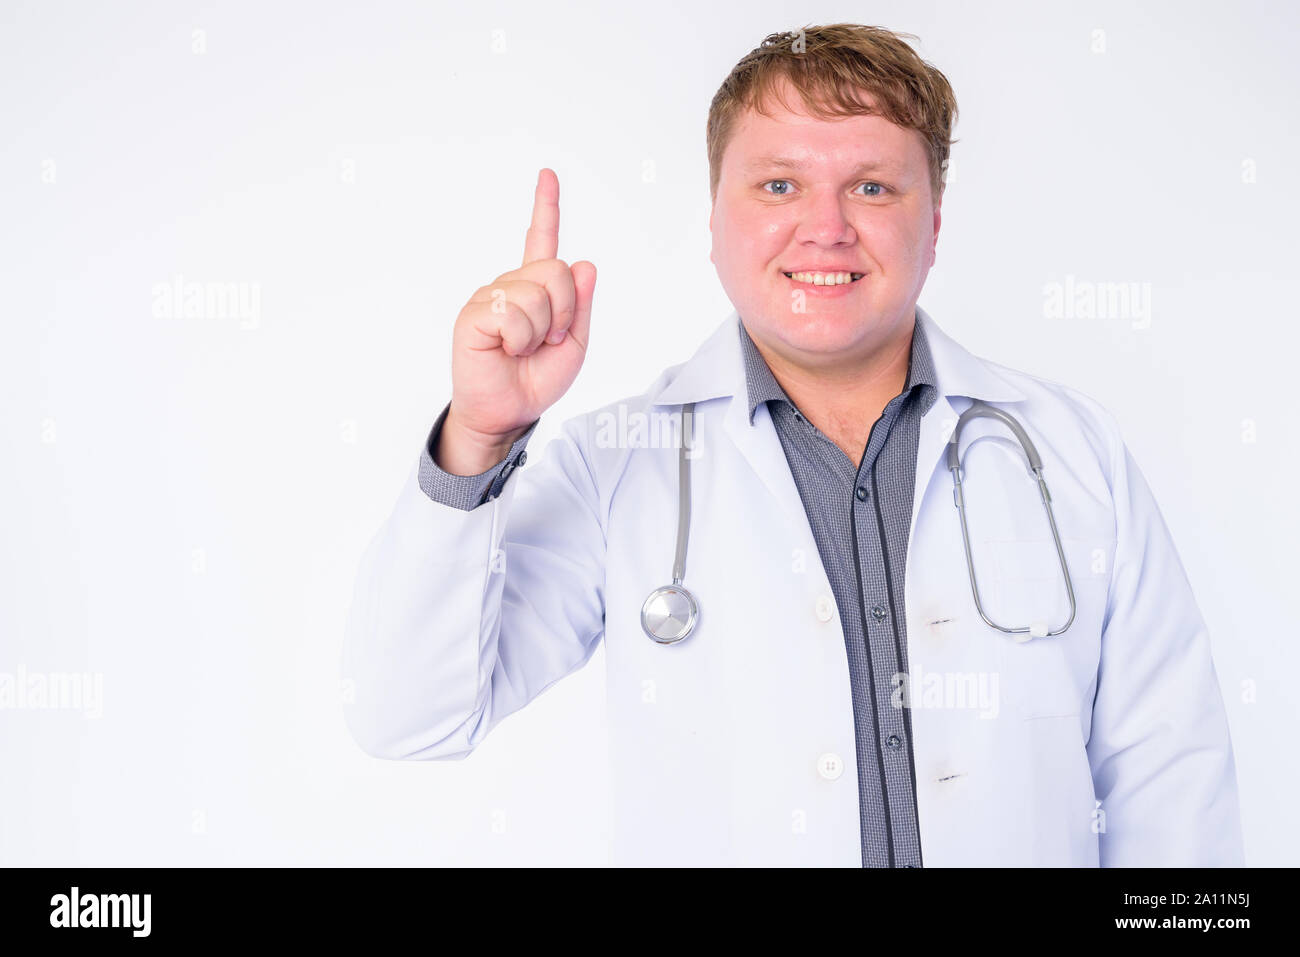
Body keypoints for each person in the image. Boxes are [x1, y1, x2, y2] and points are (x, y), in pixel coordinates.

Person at [341, 23, 1244, 867]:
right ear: (712, 221)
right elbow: (410, 715)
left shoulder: (1070, 451)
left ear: (933, 225)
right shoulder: (614, 465)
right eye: (778, 185)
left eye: (873, 186)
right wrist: (481, 434)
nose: (826, 226)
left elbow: (1174, 786)